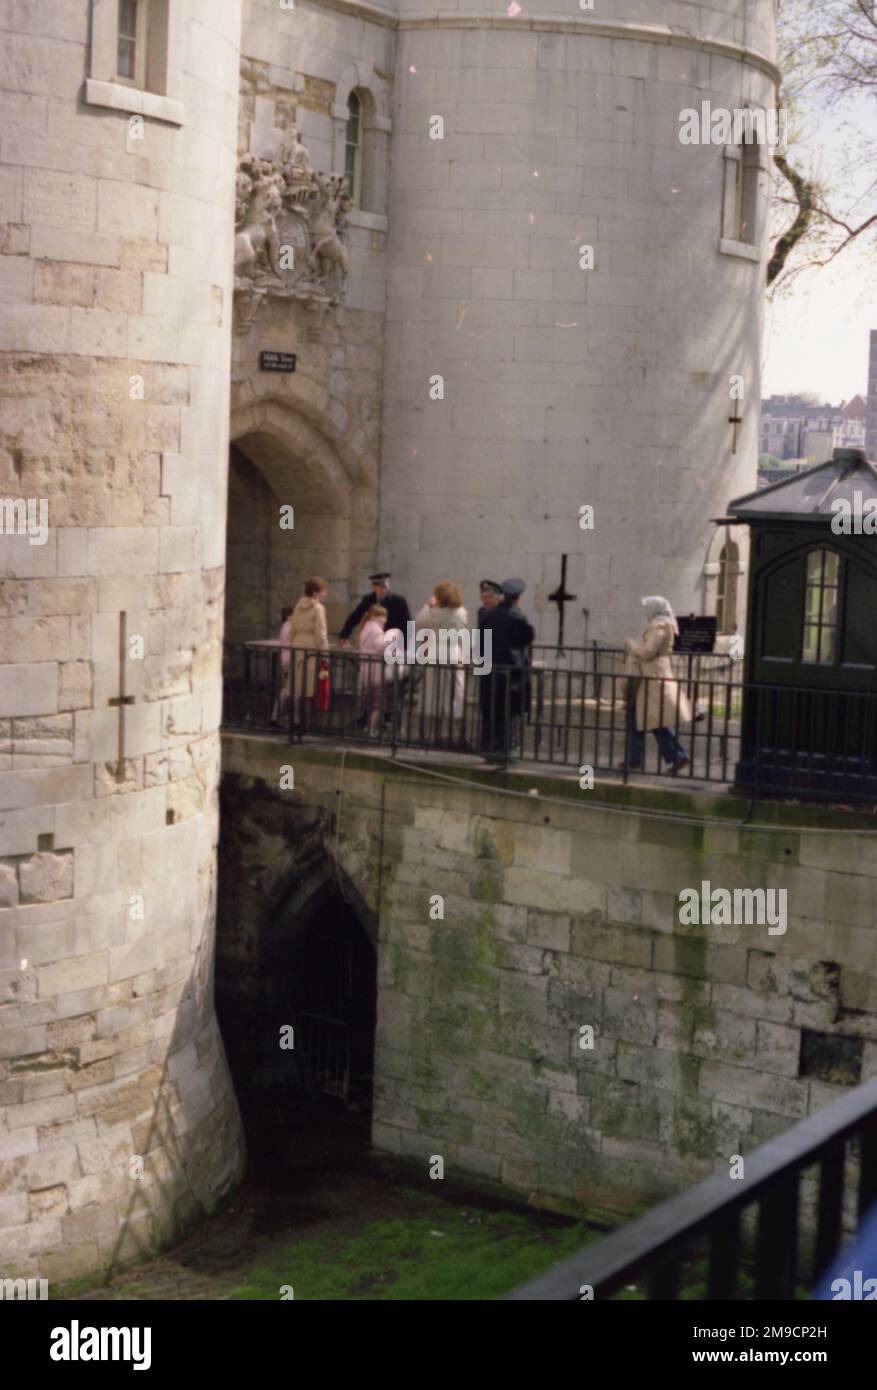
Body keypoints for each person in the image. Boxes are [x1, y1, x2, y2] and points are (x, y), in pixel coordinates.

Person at [623, 595, 690, 772]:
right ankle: (635, 758)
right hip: (649, 678)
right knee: (638, 717)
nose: (645, 613)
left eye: (647, 609)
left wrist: (631, 645)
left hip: (654, 679)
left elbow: (647, 652)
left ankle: (678, 756)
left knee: (655, 720)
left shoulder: (660, 627)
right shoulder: (659, 625)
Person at [478, 577, 535, 763]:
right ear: (518, 597)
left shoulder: (487, 615)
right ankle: (503, 752)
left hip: (488, 670)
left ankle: (488, 750)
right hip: (510, 673)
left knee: (490, 711)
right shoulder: (516, 617)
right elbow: (526, 638)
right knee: (507, 713)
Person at [414, 580, 469, 743]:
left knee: (433, 696)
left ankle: (430, 735)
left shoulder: (434, 613)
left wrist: (428, 606)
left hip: (436, 654)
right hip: (453, 654)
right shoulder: (461, 613)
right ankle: (455, 736)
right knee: (454, 696)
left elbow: (419, 623)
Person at [286, 578, 329, 728]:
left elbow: (292, 630)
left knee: (298, 685)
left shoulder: (298, 606)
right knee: (310, 686)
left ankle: (296, 720)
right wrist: (325, 654)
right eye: (323, 590)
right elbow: (321, 634)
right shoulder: (318, 608)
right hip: (311, 645)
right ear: (315, 592)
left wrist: (292, 645)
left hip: (298, 644)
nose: (325, 593)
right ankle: (308, 723)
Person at [357, 604, 399, 736]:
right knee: (378, 701)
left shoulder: (365, 628)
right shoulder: (376, 630)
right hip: (375, 668)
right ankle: (371, 728)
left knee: (369, 699)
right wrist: (392, 637)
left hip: (365, 667)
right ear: (375, 616)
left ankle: (367, 726)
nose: (385, 620)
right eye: (383, 617)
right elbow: (380, 646)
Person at [339, 571, 411, 646]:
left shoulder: (399, 601)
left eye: (385, 586)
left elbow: (408, 624)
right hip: (375, 643)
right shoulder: (369, 600)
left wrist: (407, 646)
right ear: (374, 588)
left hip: (395, 643)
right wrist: (344, 635)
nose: (383, 590)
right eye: (381, 587)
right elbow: (355, 617)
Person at [271, 604, 295, 724]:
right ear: (289, 616)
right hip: (288, 661)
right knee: (286, 690)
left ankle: (276, 717)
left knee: (286, 690)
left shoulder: (286, 626)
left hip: (286, 660)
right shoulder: (289, 628)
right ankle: (275, 717)